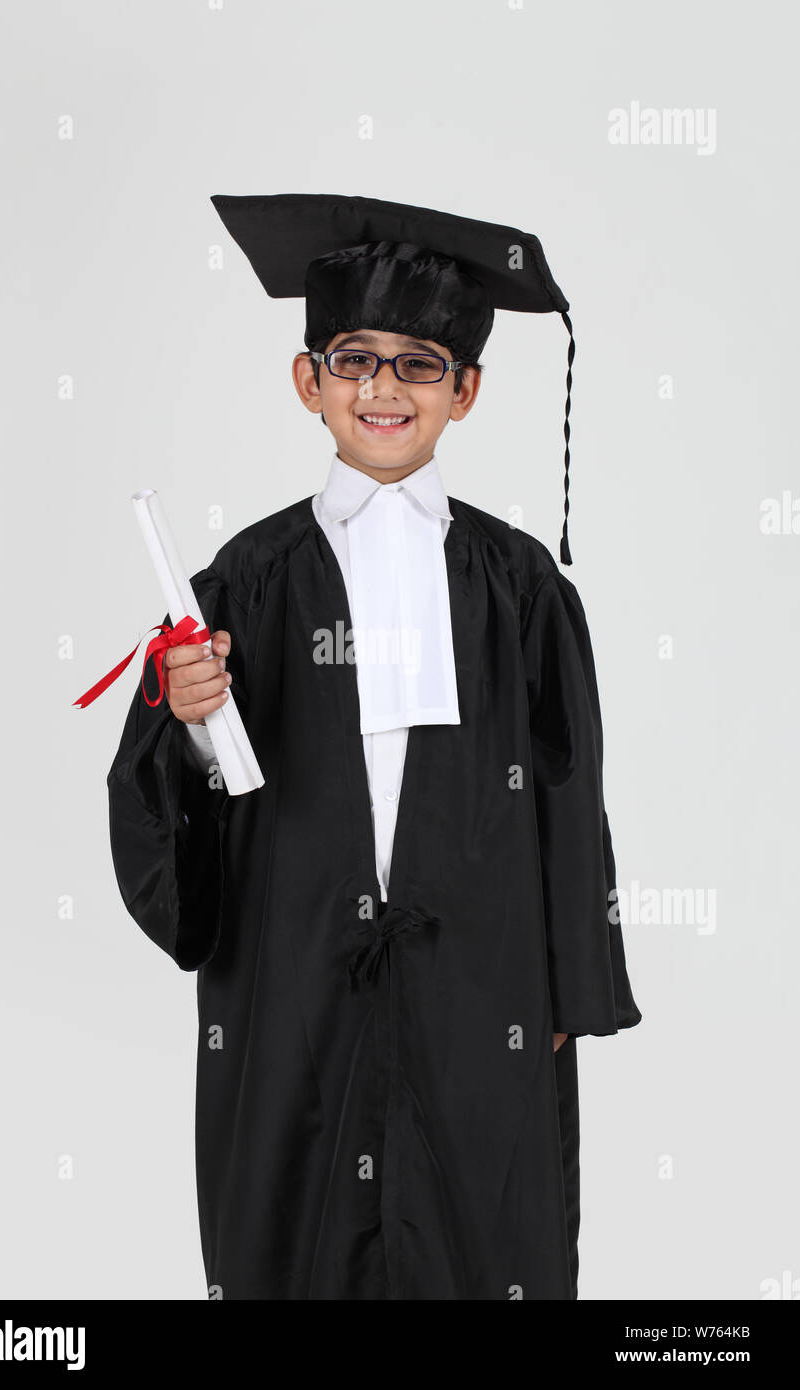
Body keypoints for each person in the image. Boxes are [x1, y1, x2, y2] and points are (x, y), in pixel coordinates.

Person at [106, 193, 642, 1300]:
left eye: (418, 362)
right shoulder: (245, 579)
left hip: (481, 977)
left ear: (465, 390)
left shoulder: (517, 585)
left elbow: (564, 784)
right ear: (308, 382)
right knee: (297, 1230)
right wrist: (188, 718)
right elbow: (173, 801)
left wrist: (565, 994)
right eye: (353, 358)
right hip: (298, 968)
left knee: (480, 1231)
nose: (382, 388)